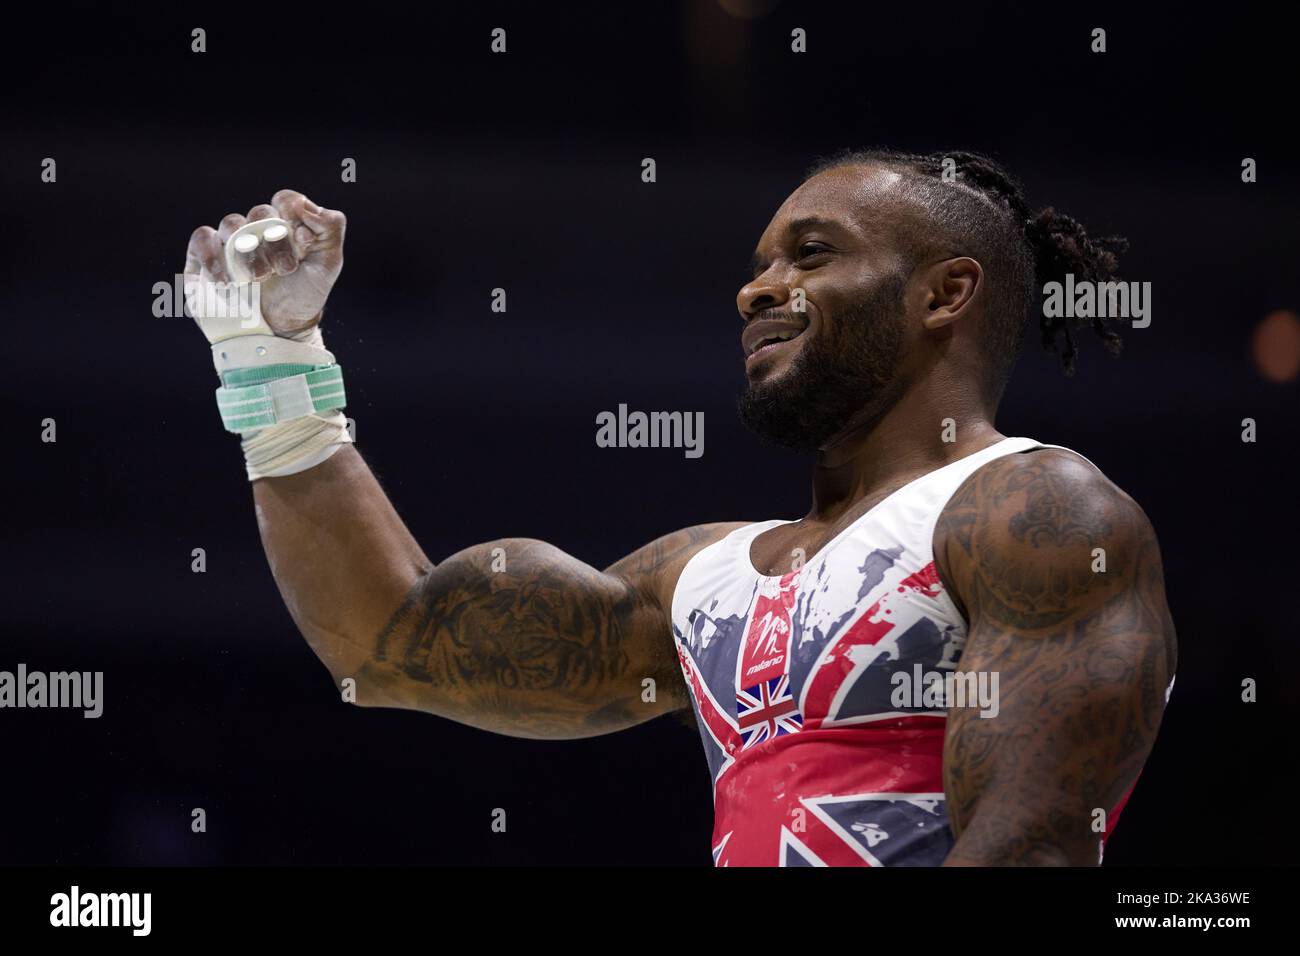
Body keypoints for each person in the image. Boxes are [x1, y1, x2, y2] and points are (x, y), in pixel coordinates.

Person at [181, 149, 1177, 866]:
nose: (757, 288)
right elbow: (387, 643)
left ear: (944, 292)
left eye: (811, 254)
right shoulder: (702, 577)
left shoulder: (1034, 509)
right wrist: (274, 367)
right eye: (759, 264)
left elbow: (1034, 846)